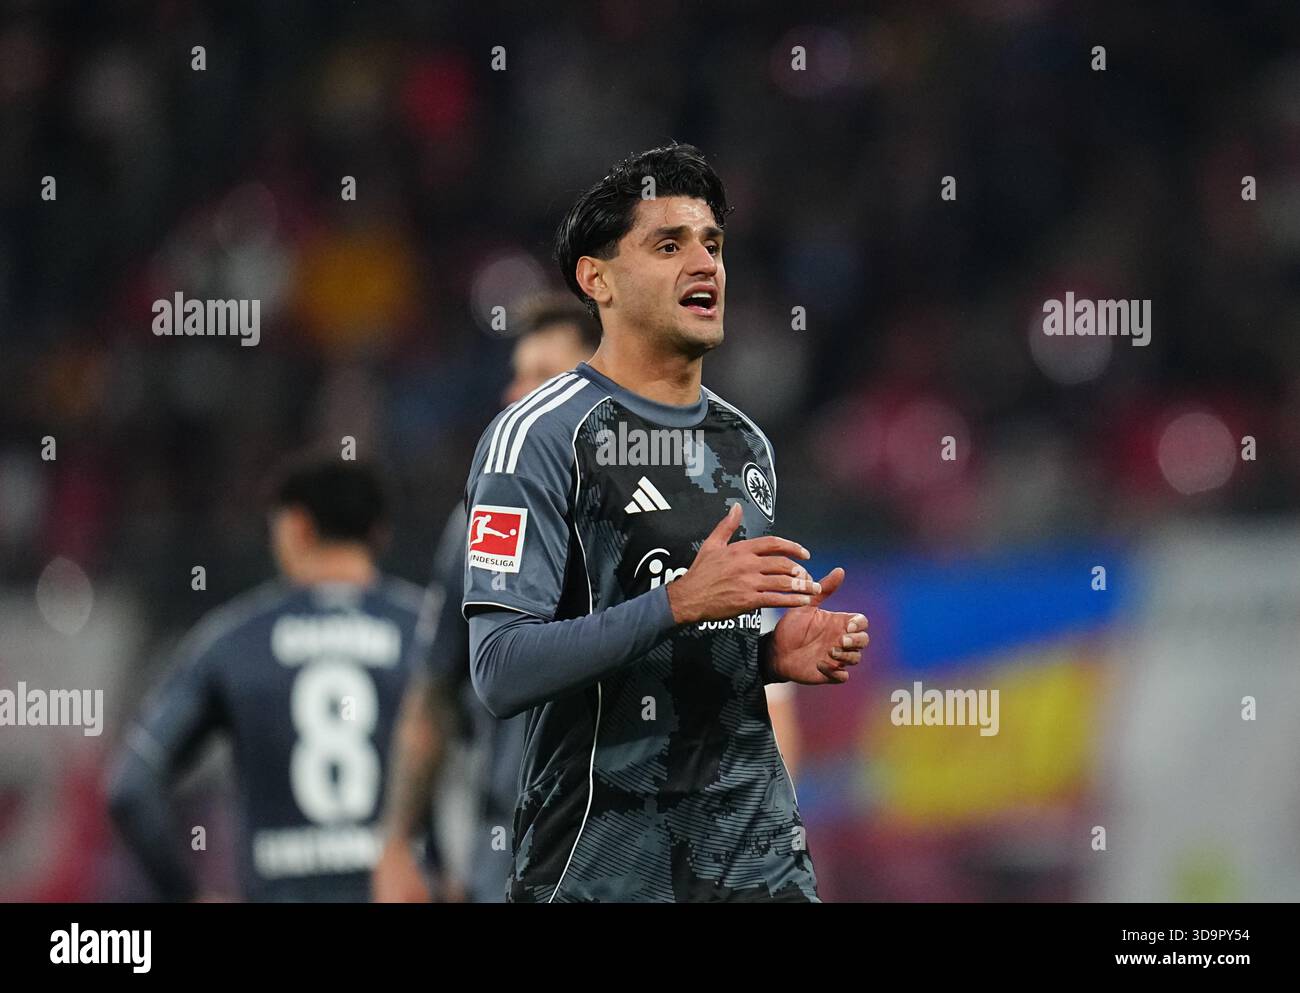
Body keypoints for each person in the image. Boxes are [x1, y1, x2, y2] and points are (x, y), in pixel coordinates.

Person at [461, 143, 869, 903]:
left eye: (713, 244)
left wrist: (769, 656)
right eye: (669, 244)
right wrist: (679, 601)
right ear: (597, 278)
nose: (705, 264)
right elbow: (501, 668)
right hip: (603, 865)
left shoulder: (746, 444)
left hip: (755, 858)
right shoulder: (541, 438)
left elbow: (704, 649)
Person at [106, 456, 422, 901]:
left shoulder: (233, 641)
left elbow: (131, 787)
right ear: (380, 532)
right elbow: (508, 756)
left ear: (296, 527)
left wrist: (191, 895)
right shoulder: (428, 632)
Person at [373, 294, 600, 903]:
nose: (514, 394)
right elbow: (434, 694)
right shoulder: (476, 519)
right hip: (507, 850)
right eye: (516, 374)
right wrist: (398, 843)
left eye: (542, 376)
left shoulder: (672, 510)